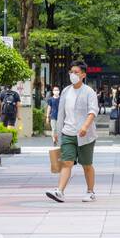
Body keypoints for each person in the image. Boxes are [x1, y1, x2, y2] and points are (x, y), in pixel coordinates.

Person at [46, 62, 99, 203]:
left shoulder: (89, 92)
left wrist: (85, 127)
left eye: (76, 72)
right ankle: (60, 191)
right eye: (71, 72)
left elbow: (93, 111)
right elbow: (61, 113)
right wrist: (57, 131)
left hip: (85, 136)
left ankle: (90, 191)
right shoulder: (65, 91)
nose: (73, 75)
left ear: (83, 75)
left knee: (86, 164)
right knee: (66, 162)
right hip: (68, 133)